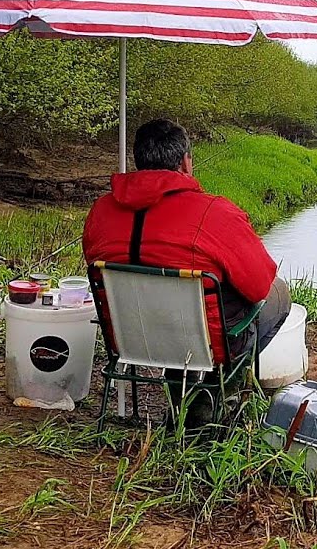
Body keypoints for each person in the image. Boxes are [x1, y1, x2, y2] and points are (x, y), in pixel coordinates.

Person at [82, 119, 290, 417]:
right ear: (185, 163)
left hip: (129, 338)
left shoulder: (101, 210)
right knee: (278, 292)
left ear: (138, 161)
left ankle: (186, 387)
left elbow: (94, 261)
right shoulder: (215, 212)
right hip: (209, 345)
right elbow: (259, 286)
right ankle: (218, 389)